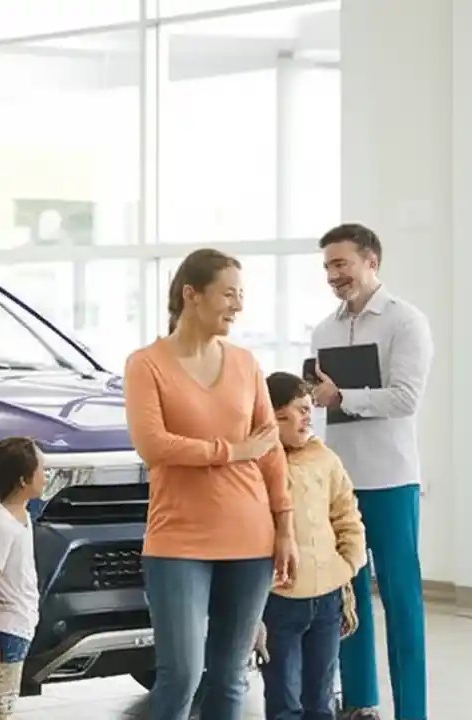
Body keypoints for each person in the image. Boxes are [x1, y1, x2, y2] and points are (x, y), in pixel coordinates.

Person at [123, 248, 299, 720]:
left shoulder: (245, 364)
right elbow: (154, 446)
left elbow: (272, 449)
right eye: (229, 294)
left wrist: (285, 525)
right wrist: (232, 451)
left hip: (250, 537)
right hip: (177, 539)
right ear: (191, 295)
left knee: (230, 677)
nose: (238, 305)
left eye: (241, 295)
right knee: (181, 675)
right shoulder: (146, 365)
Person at [309, 223, 433, 720]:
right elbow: (319, 407)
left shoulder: (406, 322)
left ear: (371, 261)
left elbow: (407, 398)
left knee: (402, 600)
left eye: (341, 264)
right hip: (340, 483)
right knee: (348, 597)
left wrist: (345, 398)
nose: (333, 275)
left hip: (391, 480)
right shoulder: (324, 330)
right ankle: (360, 705)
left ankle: (413, 711)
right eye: (327, 267)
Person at [261, 371, 367, 720]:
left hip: (327, 600)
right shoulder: (256, 466)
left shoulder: (325, 459)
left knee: (321, 702)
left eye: (309, 409)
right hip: (279, 602)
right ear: (269, 418)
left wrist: (348, 564)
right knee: (284, 702)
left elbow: (346, 514)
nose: (305, 417)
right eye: (292, 412)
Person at [0, 436, 45, 720]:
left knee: (7, 700)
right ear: (22, 480)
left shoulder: (21, 515)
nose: (45, 475)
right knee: (4, 704)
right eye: (41, 469)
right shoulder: (2, 525)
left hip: (21, 620)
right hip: (9, 626)